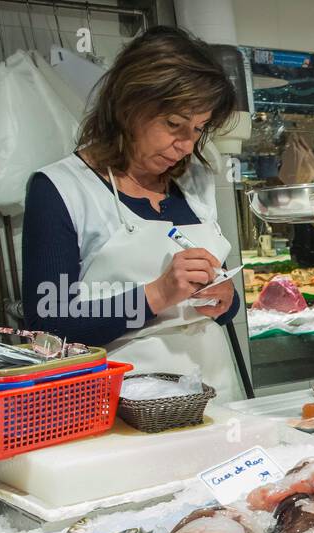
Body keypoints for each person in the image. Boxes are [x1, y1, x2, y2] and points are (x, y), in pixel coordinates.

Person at [21, 26, 246, 399]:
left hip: (220, 392)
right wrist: (156, 294)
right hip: (125, 403)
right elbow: (48, 327)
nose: (186, 145)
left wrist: (224, 298)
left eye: (198, 129)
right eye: (173, 124)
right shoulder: (60, 188)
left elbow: (220, 309)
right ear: (128, 106)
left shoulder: (194, 181)